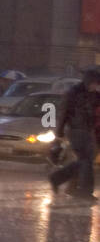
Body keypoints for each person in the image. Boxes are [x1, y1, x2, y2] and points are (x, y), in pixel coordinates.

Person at [48, 69, 100, 202]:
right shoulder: (73, 93)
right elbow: (64, 113)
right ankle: (84, 191)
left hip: (89, 132)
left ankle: (58, 178)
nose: (95, 86)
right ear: (88, 81)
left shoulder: (95, 95)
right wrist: (59, 132)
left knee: (83, 162)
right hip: (75, 131)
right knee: (85, 161)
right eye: (94, 83)